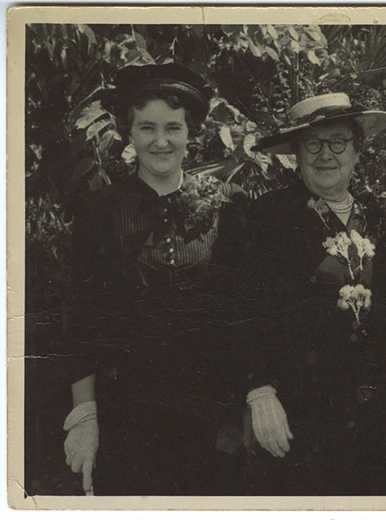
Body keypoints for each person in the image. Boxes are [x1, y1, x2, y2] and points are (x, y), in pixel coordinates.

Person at [62, 63, 247, 495]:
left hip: (210, 415)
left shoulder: (229, 206)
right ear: (129, 132)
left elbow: (245, 313)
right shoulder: (98, 211)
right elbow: (79, 318)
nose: (160, 141)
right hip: (125, 411)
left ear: (191, 133)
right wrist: (83, 414)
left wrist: (248, 401)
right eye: (147, 127)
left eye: (173, 127)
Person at [242, 92, 386, 495]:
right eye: (312, 144)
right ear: (295, 154)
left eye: (337, 142)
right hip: (299, 414)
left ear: (356, 148)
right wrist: (259, 391)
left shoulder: (381, 214)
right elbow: (238, 311)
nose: (325, 155)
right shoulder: (264, 218)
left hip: (378, 415)